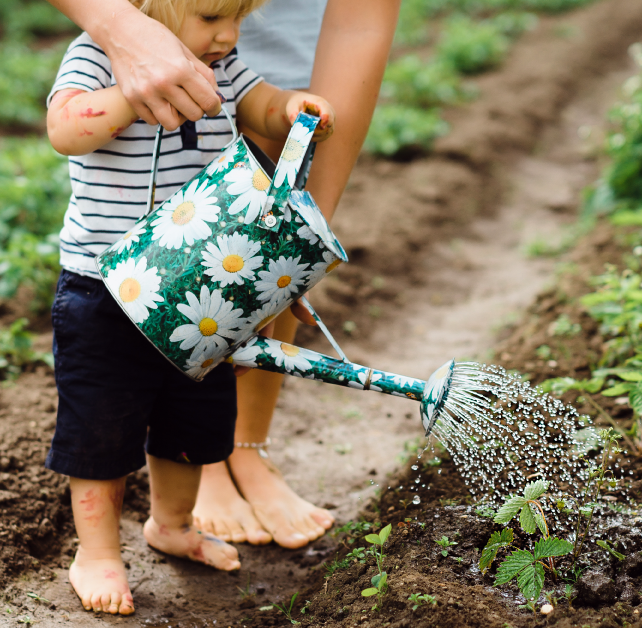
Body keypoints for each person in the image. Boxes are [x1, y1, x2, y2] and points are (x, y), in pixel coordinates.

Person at [45, 0, 400, 549]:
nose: (231, 34)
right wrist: (131, 92)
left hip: (200, 285)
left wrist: (290, 107)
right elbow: (66, 130)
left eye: (240, 17)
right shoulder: (97, 58)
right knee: (99, 426)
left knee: (195, 420)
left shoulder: (226, 66)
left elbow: (260, 106)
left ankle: (174, 527)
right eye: (213, 19)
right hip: (106, 288)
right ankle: (96, 555)